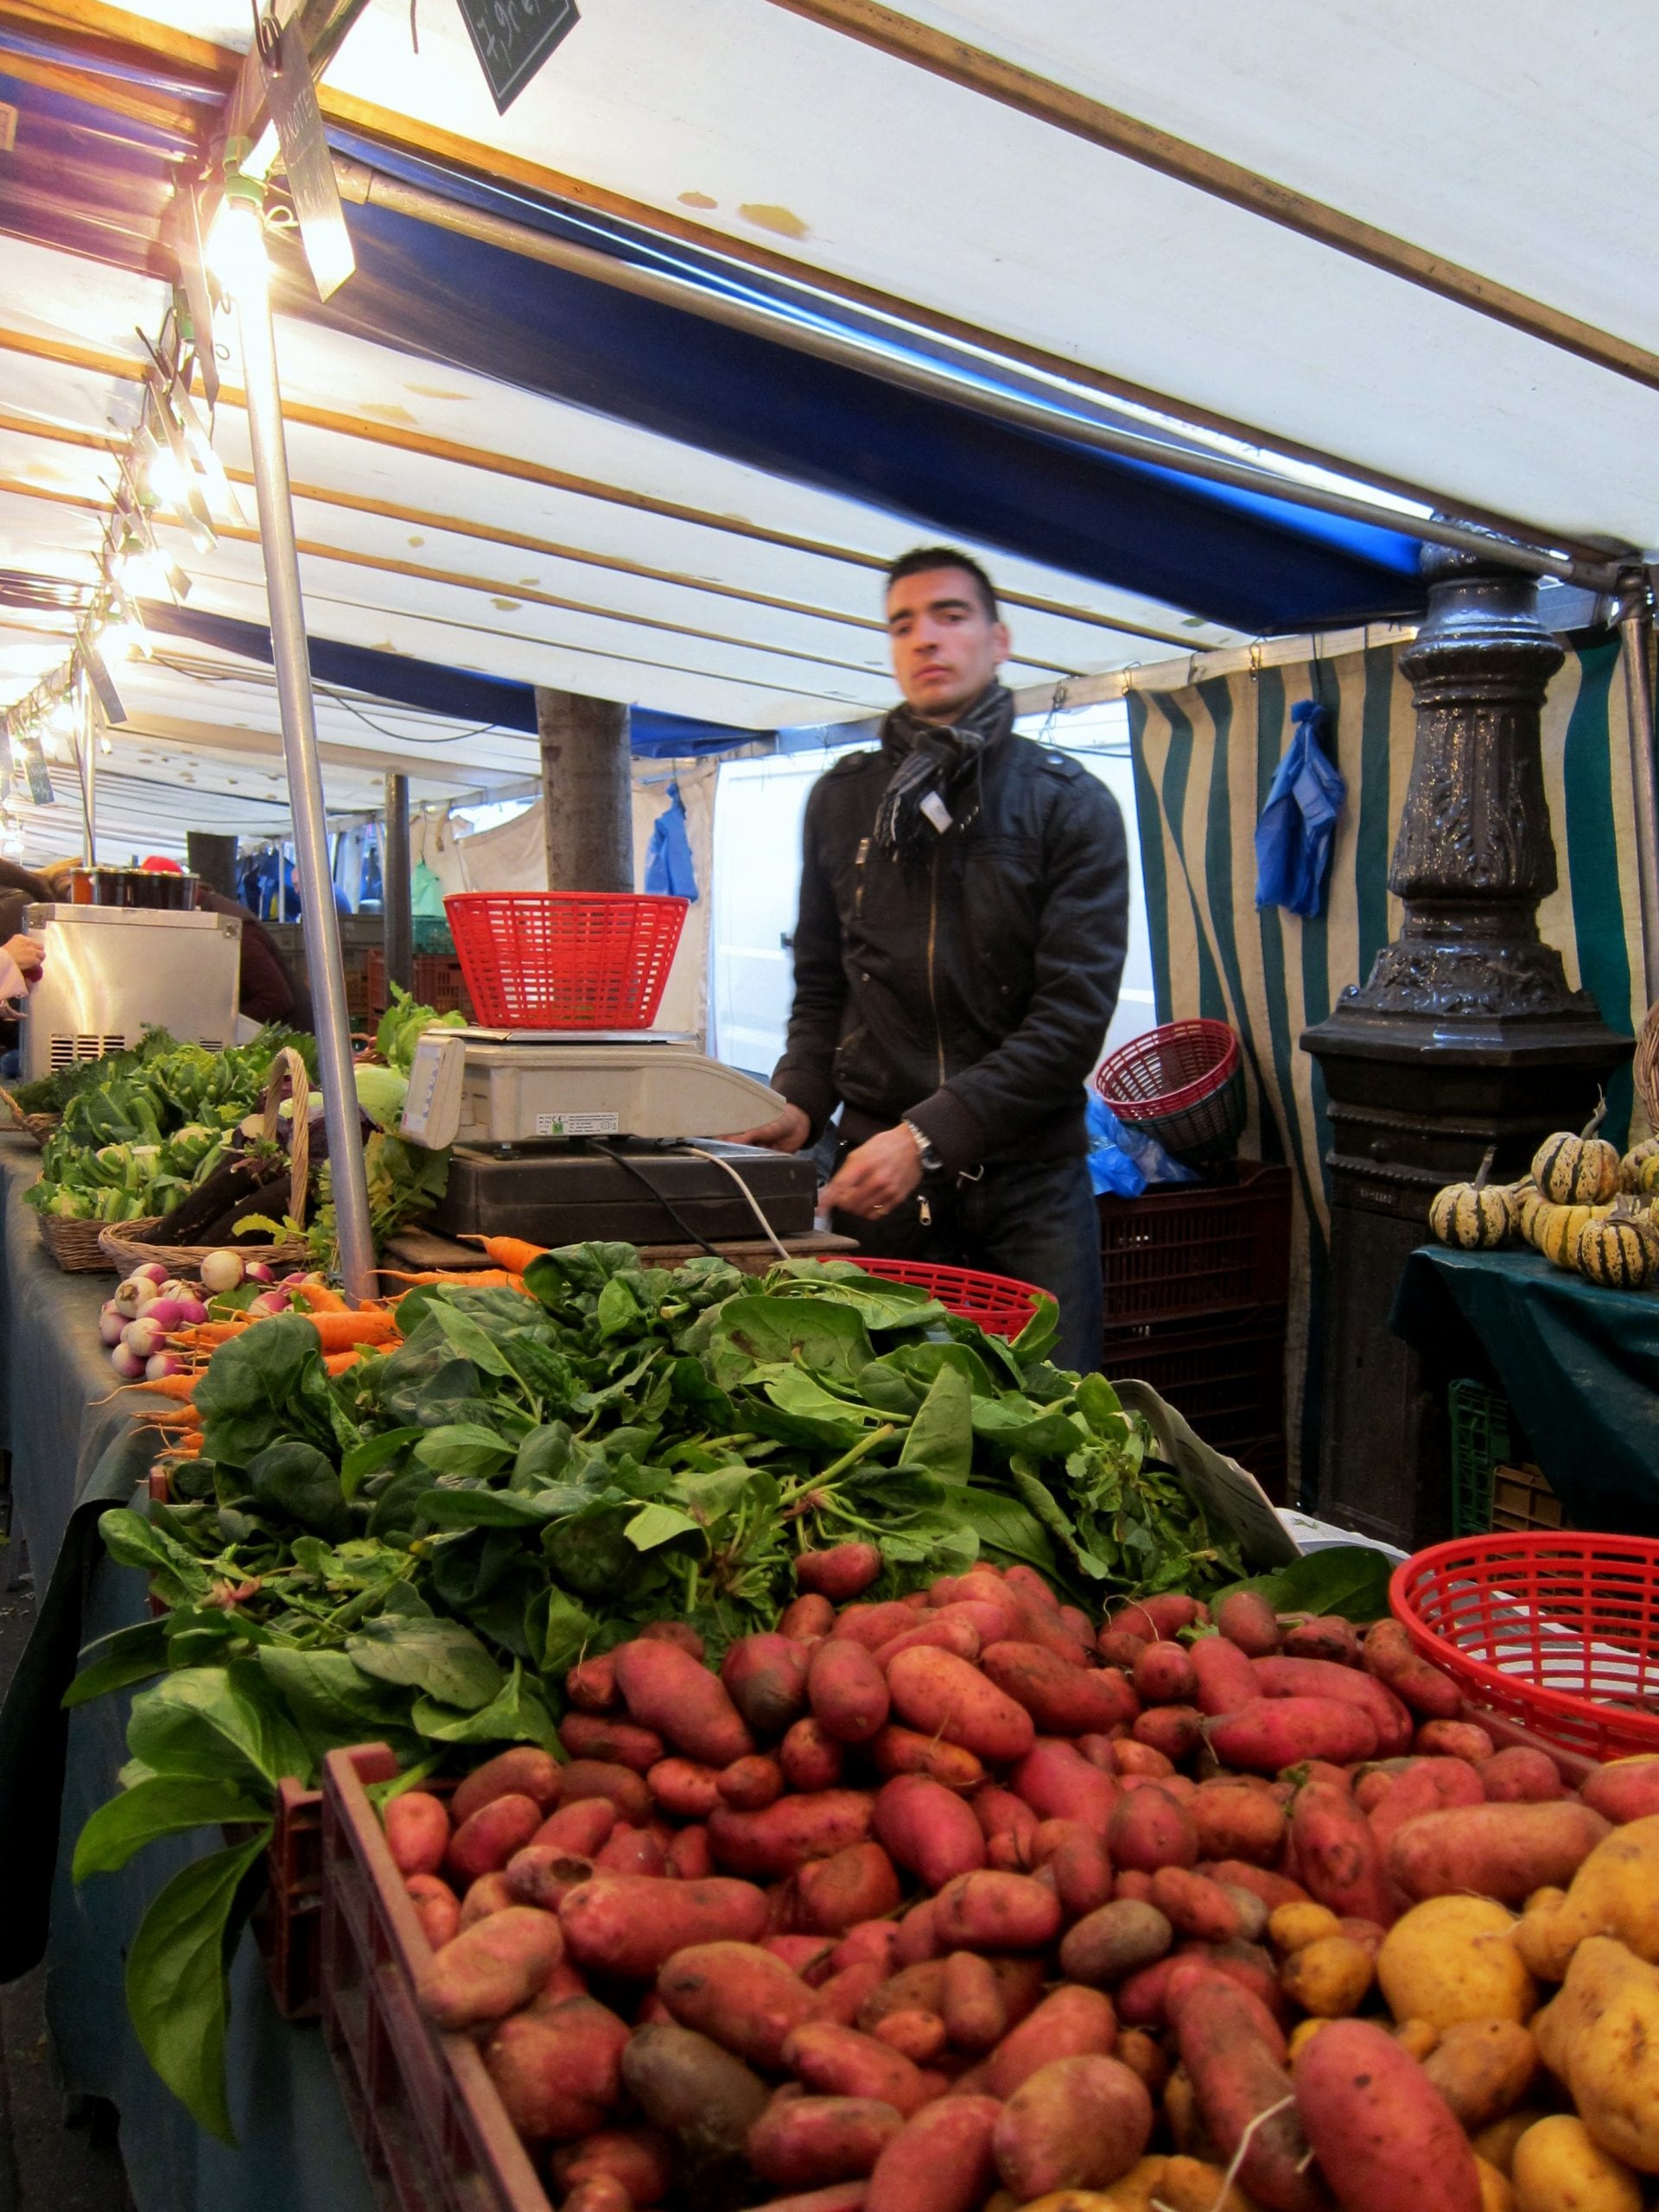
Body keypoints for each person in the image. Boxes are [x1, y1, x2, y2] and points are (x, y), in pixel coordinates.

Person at [734, 545, 1128, 1372]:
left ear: (999, 639)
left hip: (1030, 1194)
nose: (925, 640)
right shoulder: (842, 800)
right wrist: (800, 1098)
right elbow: (821, 983)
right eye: (903, 624)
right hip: (878, 1185)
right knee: (879, 1429)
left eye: (950, 616)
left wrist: (926, 1136)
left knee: (1055, 1426)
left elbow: (1069, 1024)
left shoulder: (1068, 804)